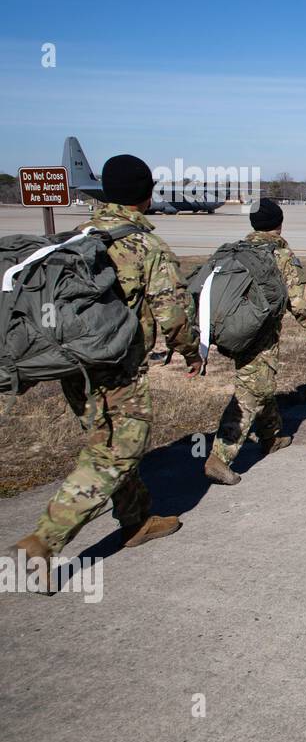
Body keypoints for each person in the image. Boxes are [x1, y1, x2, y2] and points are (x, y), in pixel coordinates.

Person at [5, 154, 202, 590]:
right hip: (119, 370)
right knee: (114, 452)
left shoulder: (75, 237)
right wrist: (191, 353)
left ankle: (136, 521)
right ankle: (40, 543)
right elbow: (173, 316)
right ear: (148, 197)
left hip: (75, 368)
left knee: (109, 442)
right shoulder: (146, 247)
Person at [203, 199, 306, 486]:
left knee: (260, 381)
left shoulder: (237, 250)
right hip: (260, 334)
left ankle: (271, 436)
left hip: (231, 328)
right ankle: (220, 457)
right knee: (252, 390)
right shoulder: (280, 253)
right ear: (279, 224)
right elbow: (298, 298)